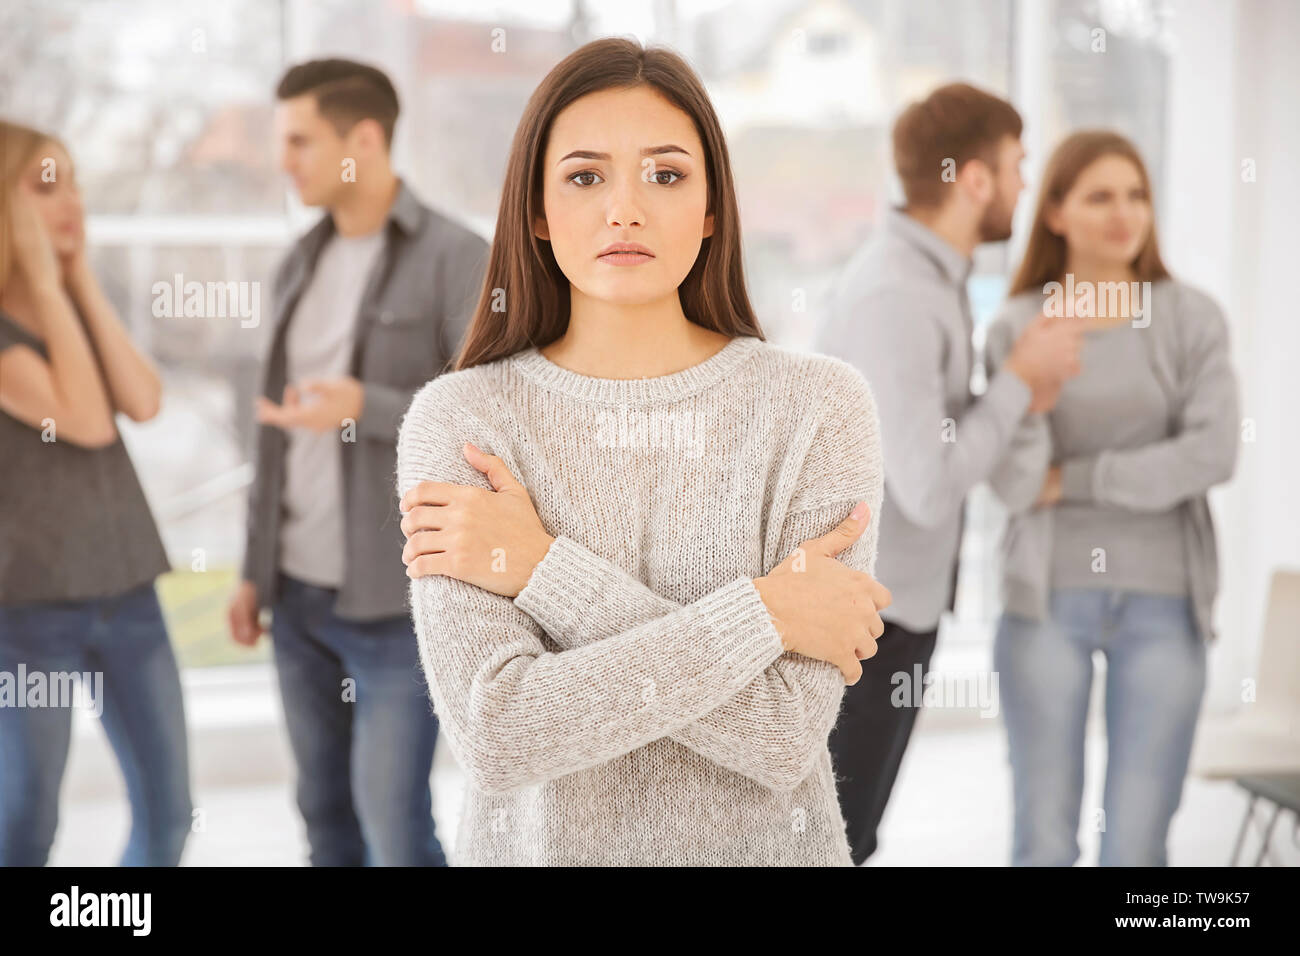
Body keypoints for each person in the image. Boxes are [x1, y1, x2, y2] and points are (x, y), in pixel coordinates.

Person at [393, 37, 891, 866]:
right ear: (538, 212)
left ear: (711, 210)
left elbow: (780, 737)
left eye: (666, 174)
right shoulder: (462, 419)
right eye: (586, 176)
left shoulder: (819, 407)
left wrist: (544, 569)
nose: (625, 208)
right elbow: (500, 733)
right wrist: (763, 613)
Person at [225, 59, 488, 866]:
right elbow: (274, 434)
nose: (285, 161)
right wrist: (251, 570)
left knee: (393, 825)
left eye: (301, 141)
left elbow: (488, 426)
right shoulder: (298, 262)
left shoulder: (457, 258)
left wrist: (365, 408)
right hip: (296, 598)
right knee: (322, 814)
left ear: (363, 140)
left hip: (393, 604)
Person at [814, 83, 1083, 864]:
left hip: (893, 611)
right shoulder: (898, 292)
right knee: (838, 839)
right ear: (974, 180)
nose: (1025, 185)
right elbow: (926, 487)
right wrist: (1018, 381)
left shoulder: (929, 278)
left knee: (850, 831)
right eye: (1017, 165)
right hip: (870, 622)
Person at [985, 130, 1239, 866]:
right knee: (1042, 838)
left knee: (1136, 844)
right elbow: (1018, 482)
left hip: (1165, 603)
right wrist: (1036, 394)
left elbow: (1212, 453)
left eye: (1137, 195)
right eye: (1100, 196)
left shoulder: (1191, 317)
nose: (1124, 213)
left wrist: (1085, 479)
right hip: (1046, 600)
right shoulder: (1017, 326)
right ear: (1056, 212)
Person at [0, 120, 192, 865]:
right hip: (26, 613)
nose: (71, 200)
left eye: (74, 181)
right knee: (24, 822)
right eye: (46, 186)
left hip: (127, 593)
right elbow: (82, 419)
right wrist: (49, 283)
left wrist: (75, 278)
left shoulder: (69, 303)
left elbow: (142, 400)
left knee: (170, 812)